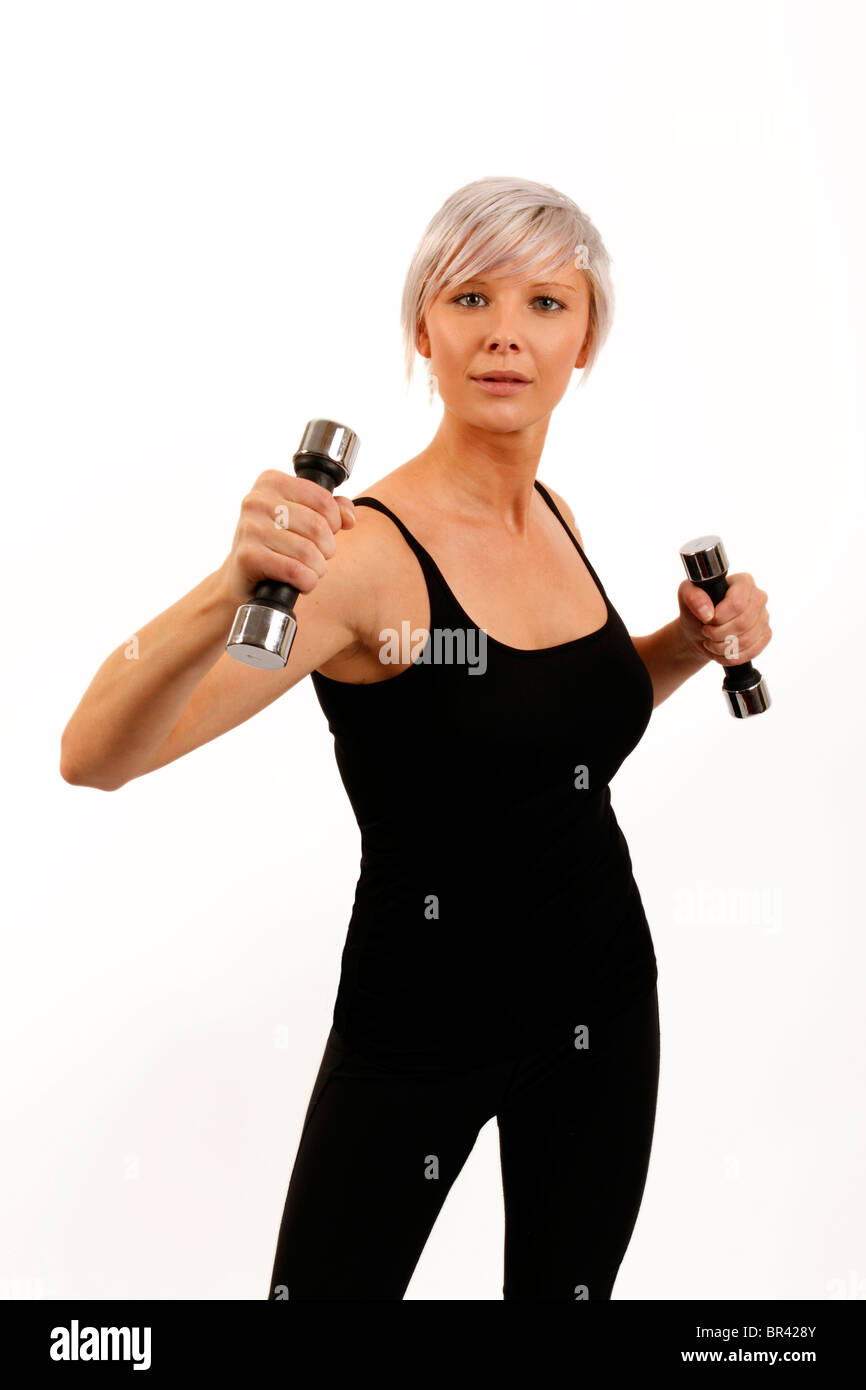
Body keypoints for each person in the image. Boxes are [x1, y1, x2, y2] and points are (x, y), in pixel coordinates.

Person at [60, 176, 772, 1300]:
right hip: (418, 1034)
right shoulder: (359, 560)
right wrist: (230, 585)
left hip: (600, 1003)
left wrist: (687, 646)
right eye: (469, 296)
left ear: (584, 338)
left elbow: (547, 727)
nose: (504, 334)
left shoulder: (554, 516)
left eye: (545, 302)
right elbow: (94, 753)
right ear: (421, 329)